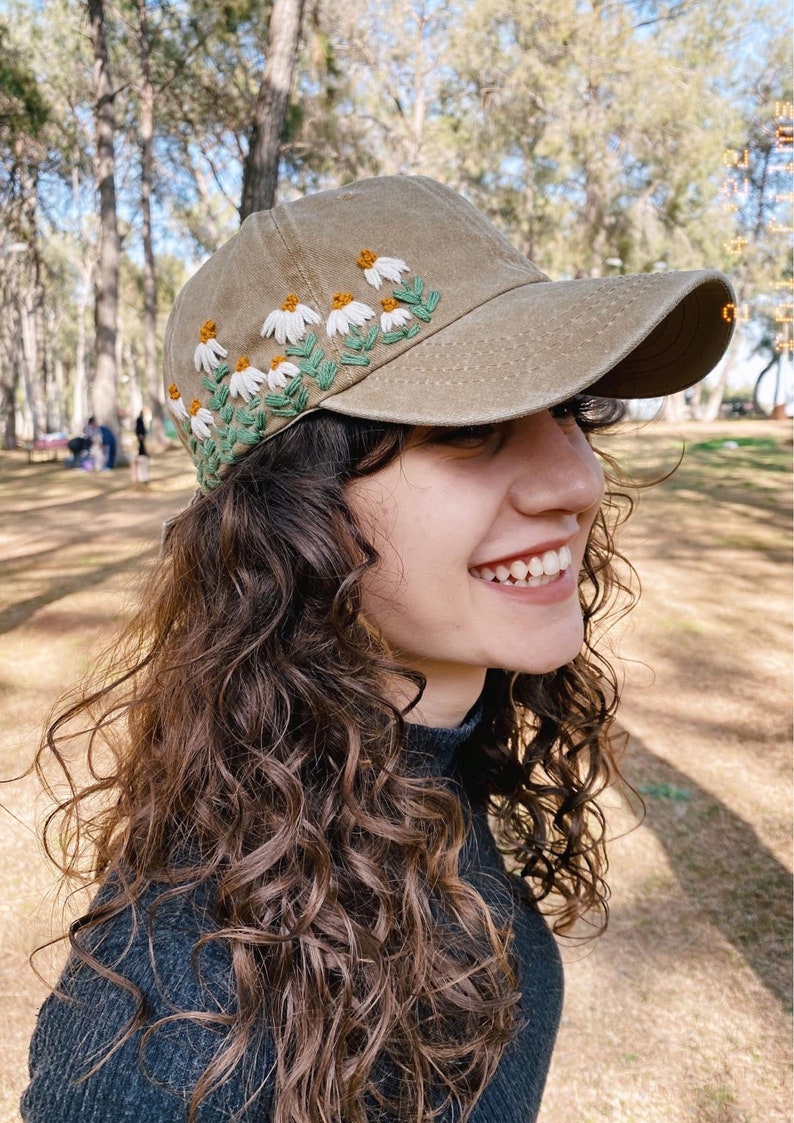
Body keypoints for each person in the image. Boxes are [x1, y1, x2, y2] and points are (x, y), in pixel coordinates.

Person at [22, 176, 734, 1123]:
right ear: (295, 513)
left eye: (569, 410)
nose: (574, 478)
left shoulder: (404, 790)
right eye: (472, 428)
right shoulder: (181, 1013)